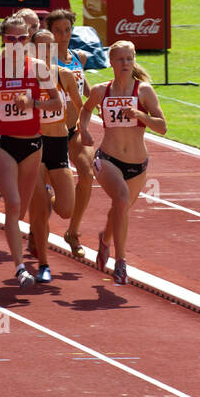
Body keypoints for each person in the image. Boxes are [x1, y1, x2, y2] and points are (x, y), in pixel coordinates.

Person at [0, 14, 62, 288]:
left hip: (33, 143)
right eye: (11, 39)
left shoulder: (38, 68)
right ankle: (20, 268)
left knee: (21, 210)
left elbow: (57, 103)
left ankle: (5, 191)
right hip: (4, 141)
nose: (16, 43)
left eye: (22, 38)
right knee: (13, 206)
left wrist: (34, 103)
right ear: (2, 39)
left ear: (28, 40)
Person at [78, 40, 167, 285]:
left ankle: (105, 240)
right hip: (107, 159)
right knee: (121, 199)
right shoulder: (100, 91)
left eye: (129, 58)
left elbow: (163, 127)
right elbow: (85, 110)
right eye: (120, 59)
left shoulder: (144, 91)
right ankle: (121, 261)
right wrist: (83, 130)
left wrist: (140, 115)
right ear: (111, 62)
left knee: (121, 208)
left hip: (138, 165)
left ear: (134, 60)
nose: (125, 63)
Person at [26, 27, 83, 284]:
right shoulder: (25, 77)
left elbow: (81, 107)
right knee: (38, 211)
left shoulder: (64, 75)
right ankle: (44, 265)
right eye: (41, 46)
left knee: (65, 209)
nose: (46, 51)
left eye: (50, 46)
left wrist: (76, 130)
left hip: (58, 142)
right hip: (33, 144)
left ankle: (48, 194)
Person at [44, 8, 94, 259]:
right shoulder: (46, 63)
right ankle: (37, 228)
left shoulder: (79, 57)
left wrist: (107, 99)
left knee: (87, 175)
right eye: (58, 31)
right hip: (51, 132)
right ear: (49, 32)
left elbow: (86, 91)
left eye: (67, 30)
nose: (63, 35)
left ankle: (72, 233)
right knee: (51, 196)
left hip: (74, 131)